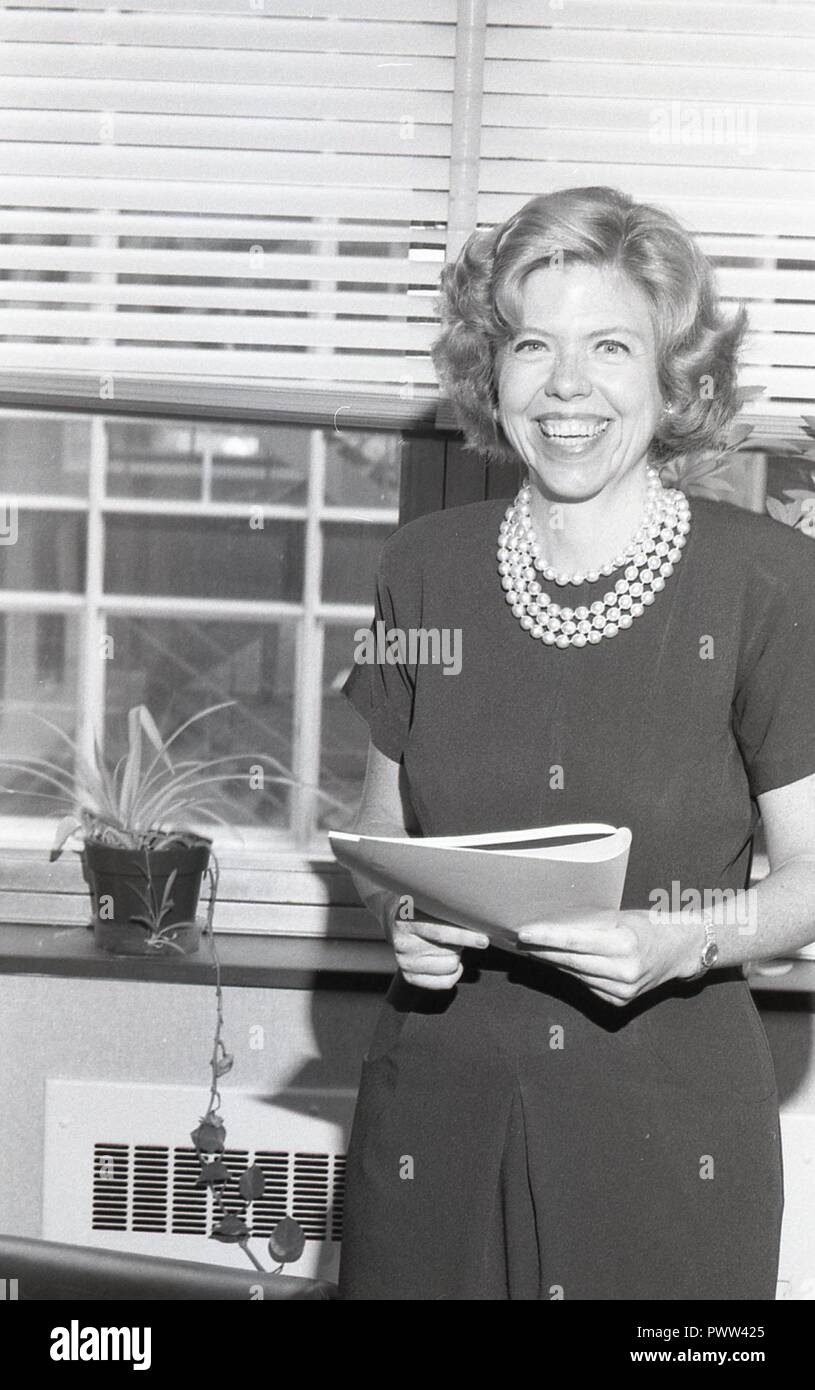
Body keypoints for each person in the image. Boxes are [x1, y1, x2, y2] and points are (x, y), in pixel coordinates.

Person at [336, 186, 815, 1301]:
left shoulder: (766, 581)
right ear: (486, 368)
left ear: (672, 374)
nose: (566, 388)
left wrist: (680, 940)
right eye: (530, 345)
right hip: (436, 1097)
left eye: (610, 345)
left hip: (665, 1116)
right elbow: (375, 831)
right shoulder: (422, 567)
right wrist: (401, 913)